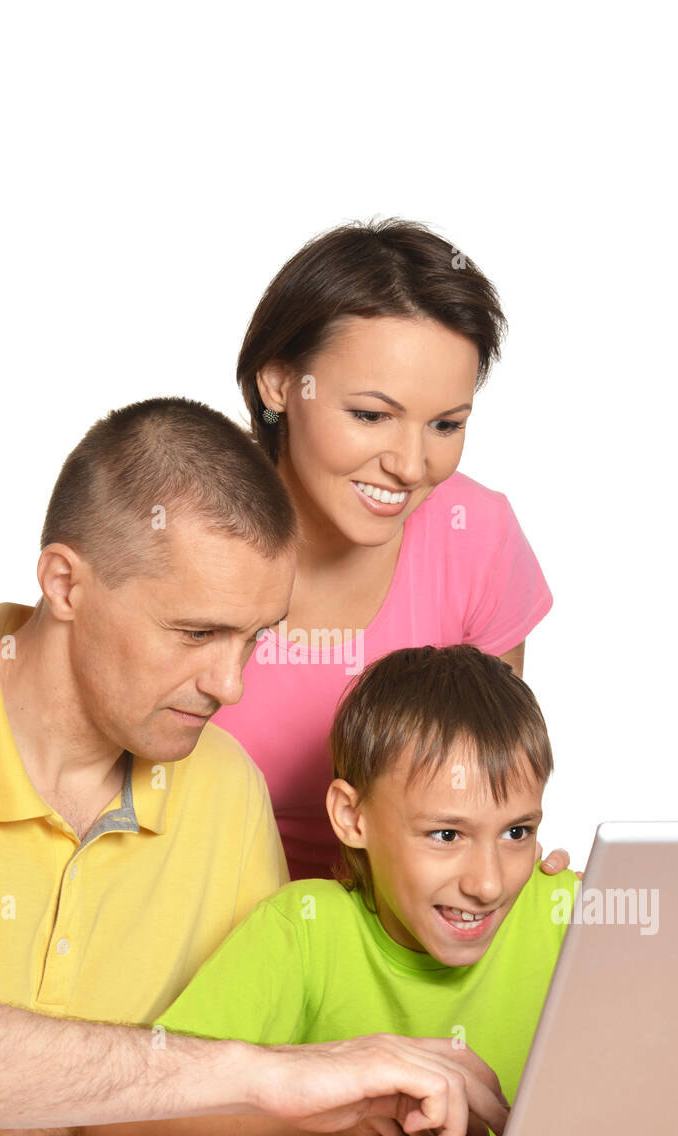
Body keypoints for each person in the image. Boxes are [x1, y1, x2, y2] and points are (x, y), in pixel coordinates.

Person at [0, 398, 510, 1136]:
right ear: (66, 584)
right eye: (197, 634)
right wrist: (259, 1077)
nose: (231, 684)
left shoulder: (226, 786)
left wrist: (501, 869)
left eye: (256, 637)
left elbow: (244, 1120)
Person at [77, 644, 579, 1136]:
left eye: (517, 832)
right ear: (351, 817)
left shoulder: (573, 918)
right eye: (447, 834)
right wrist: (347, 1110)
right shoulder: (302, 932)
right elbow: (116, 1128)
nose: (488, 882)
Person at [213, 218, 555, 880]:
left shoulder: (476, 536)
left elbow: (486, 793)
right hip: (204, 934)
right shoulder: (185, 535)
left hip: (402, 939)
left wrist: (514, 874)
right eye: (371, 415)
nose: (409, 464)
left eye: (445, 425)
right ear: (278, 383)